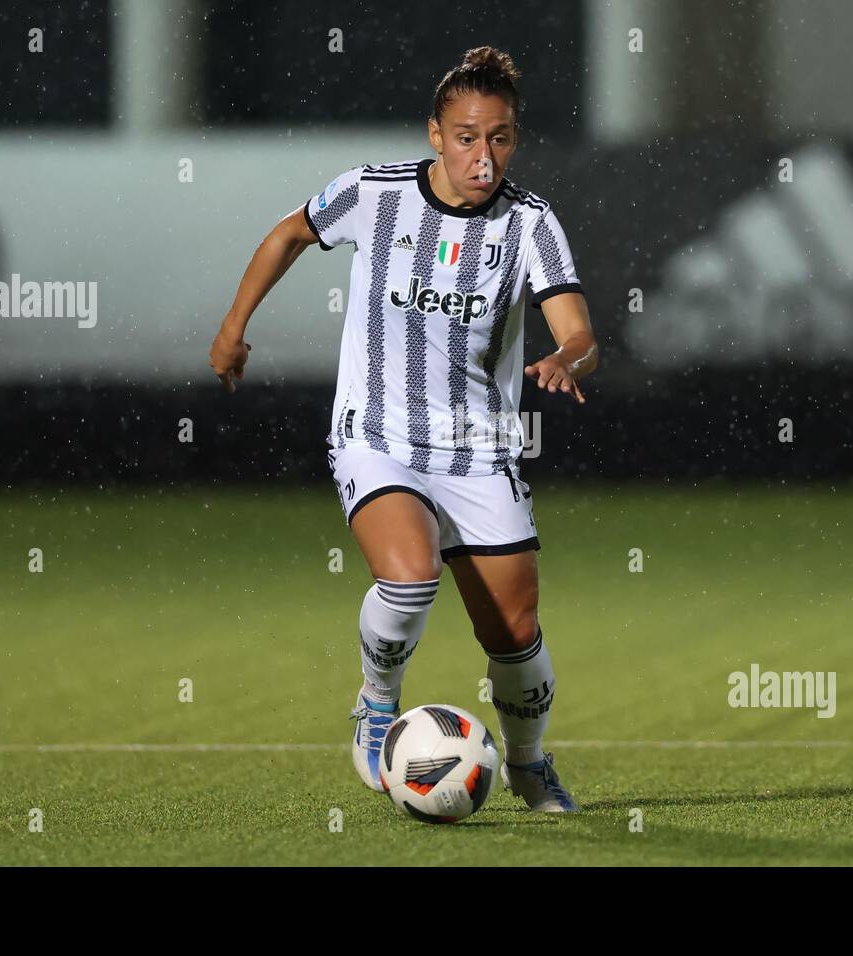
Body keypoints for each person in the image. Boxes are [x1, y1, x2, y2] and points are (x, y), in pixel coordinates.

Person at [208, 46, 596, 812]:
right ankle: (377, 703)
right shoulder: (375, 193)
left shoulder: (530, 223)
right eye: (466, 137)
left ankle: (527, 761)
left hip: (480, 450)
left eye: (501, 138)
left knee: (514, 632)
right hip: (376, 433)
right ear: (434, 133)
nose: (484, 157)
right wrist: (234, 324)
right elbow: (288, 233)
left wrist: (568, 360)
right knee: (410, 575)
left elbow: (578, 330)